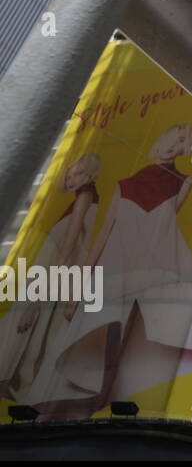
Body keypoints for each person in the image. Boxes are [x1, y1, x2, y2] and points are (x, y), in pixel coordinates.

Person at [54, 124, 192, 416]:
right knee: (99, 345)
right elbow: (104, 235)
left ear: (184, 150)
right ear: (162, 137)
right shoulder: (123, 185)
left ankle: (108, 417)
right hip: (113, 273)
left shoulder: (184, 182)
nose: (175, 144)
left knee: (134, 352)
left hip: (154, 277)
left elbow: (163, 231)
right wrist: (77, 289)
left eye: (183, 142)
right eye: (174, 136)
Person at [0, 154, 101, 408]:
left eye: (76, 174)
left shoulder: (85, 197)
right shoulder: (84, 197)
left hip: (53, 271)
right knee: (33, 334)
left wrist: (37, 298)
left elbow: (68, 246)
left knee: (21, 328)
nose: (70, 179)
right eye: (68, 175)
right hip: (55, 272)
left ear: (89, 174)